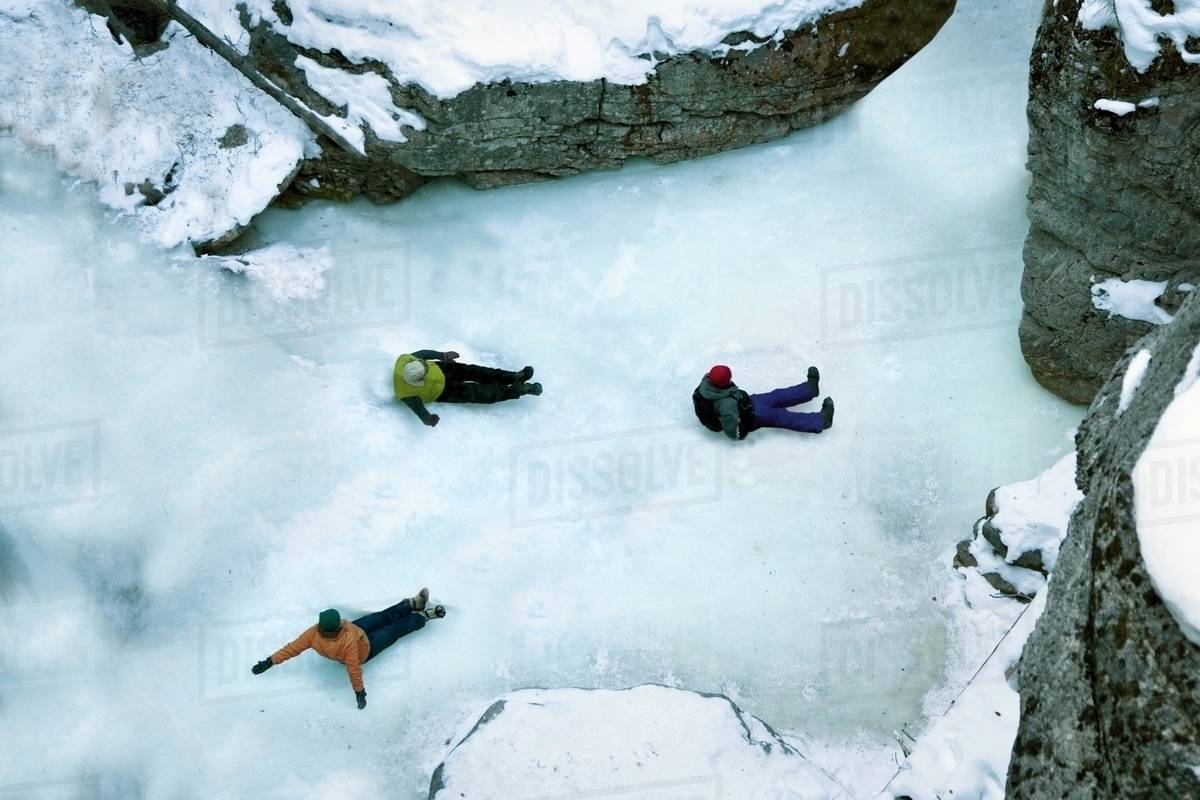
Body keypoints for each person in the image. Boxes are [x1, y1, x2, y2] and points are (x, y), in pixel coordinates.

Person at [249, 589, 446, 709]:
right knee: (393, 629)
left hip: (358, 628)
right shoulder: (347, 645)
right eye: (340, 622)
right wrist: (360, 693)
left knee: (383, 616)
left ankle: (412, 604)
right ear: (336, 627)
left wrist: (269, 661)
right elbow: (353, 669)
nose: (343, 620)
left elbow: (291, 649)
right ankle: (423, 616)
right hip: (366, 648)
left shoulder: (314, 632)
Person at [394, 349, 542, 427]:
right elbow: (418, 409)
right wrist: (427, 418)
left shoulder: (405, 359)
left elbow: (424, 354)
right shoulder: (405, 392)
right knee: (479, 393)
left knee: (476, 371)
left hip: (442, 369)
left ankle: (514, 377)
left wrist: (442, 355)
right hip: (443, 392)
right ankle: (521, 389)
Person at [693, 364, 833, 440]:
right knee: (781, 416)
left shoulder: (707, 383)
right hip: (751, 416)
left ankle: (809, 389)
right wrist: (741, 430)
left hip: (746, 403)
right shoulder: (726, 405)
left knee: (776, 396)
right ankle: (820, 421)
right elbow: (731, 428)